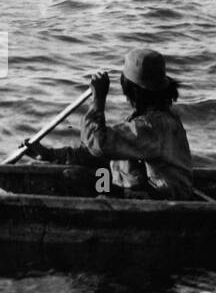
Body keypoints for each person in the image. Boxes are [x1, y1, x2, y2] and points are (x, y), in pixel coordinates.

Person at [22, 49, 193, 200]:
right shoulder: (149, 119)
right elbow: (99, 153)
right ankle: (106, 198)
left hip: (160, 199)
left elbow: (99, 144)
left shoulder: (152, 126)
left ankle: (101, 214)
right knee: (100, 171)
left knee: (75, 178)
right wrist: (49, 155)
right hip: (144, 189)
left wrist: (98, 99)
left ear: (130, 90)